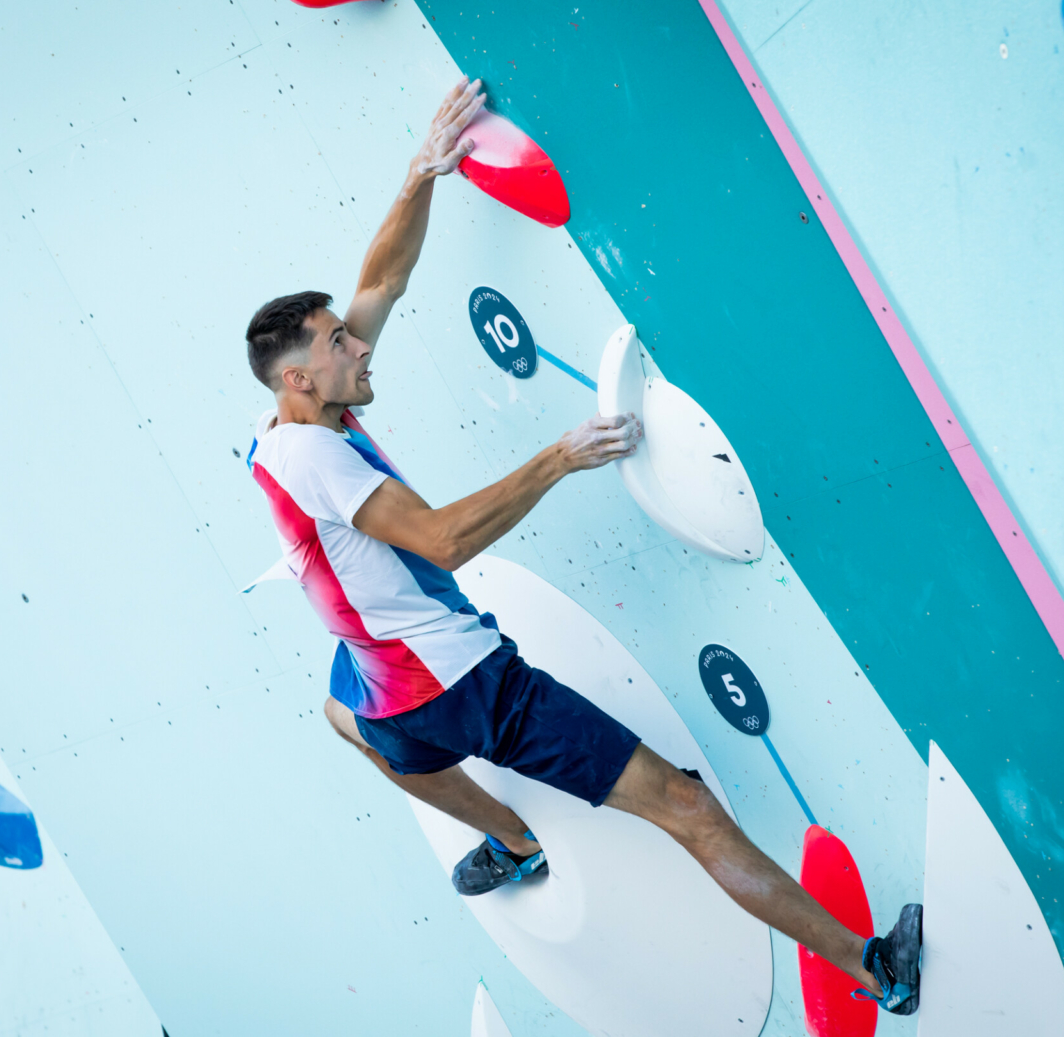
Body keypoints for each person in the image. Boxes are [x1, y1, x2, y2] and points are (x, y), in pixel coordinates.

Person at [243, 77, 921, 1015]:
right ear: (298, 376)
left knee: (342, 712)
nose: (359, 348)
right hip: (471, 685)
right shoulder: (321, 458)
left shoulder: (280, 431)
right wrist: (559, 458)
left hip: (390, 700)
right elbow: (442, 539)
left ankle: (511, 841)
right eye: (337, 345)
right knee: (687, 808)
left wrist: (421, 172)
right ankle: (878, 969)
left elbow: (381, 281)